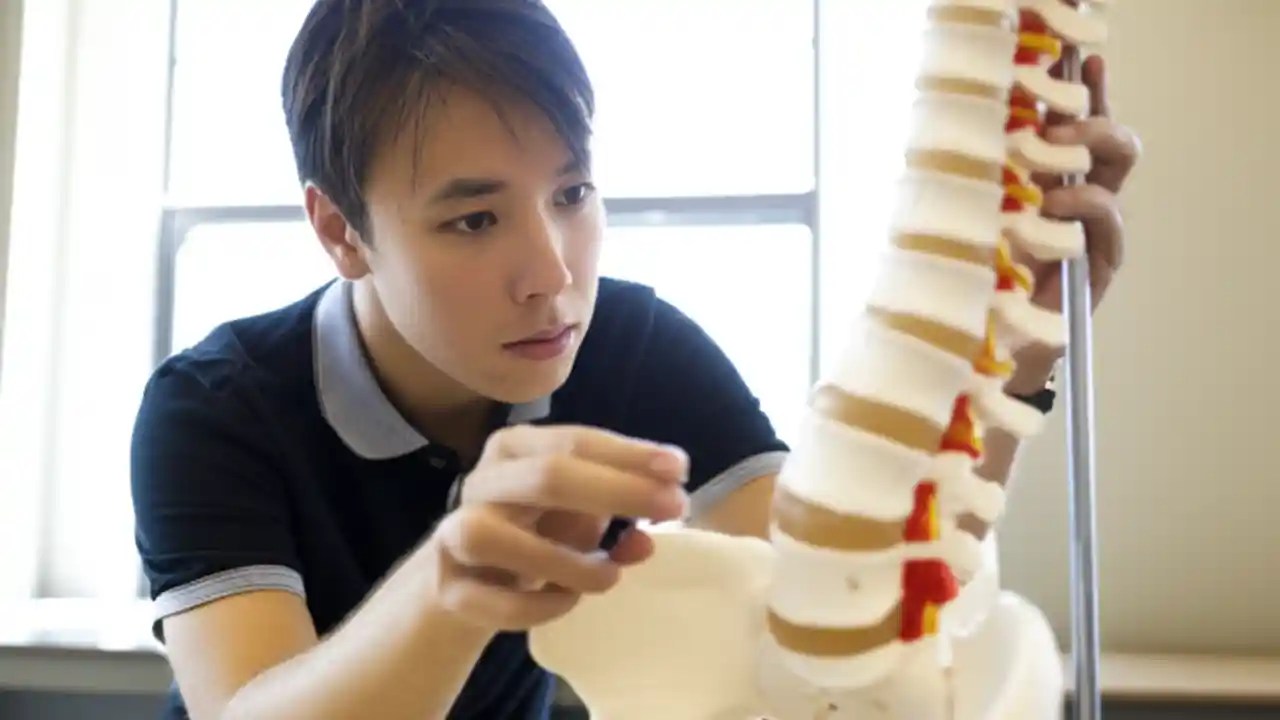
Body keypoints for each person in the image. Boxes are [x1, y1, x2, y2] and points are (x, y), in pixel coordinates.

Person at [128, 1, 1142, 718]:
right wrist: (449, 578)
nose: (550, 276)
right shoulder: (213, 410)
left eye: (571, 195)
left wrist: (1010, 367)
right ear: (339, 230)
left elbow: (849, 617)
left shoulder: (631, 348)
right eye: (474, 218)